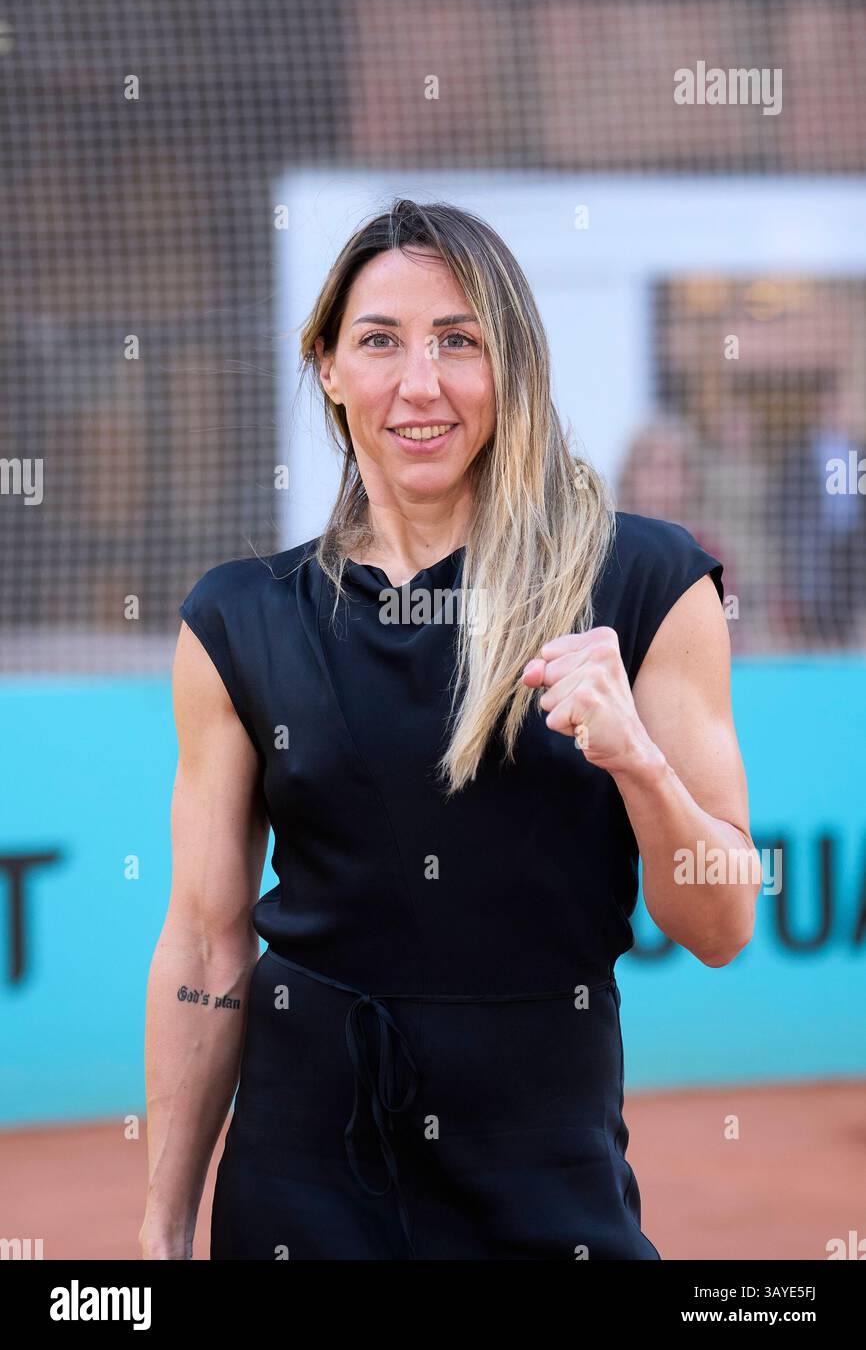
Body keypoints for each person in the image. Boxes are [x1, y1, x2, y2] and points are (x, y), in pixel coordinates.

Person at [140, 199, 760, 1261]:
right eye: (378, 340)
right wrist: (162, 1226)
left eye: (459, 341)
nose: (417, 383)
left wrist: (637, 762)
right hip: (298, 1189)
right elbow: (205, 937)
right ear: (328, 367)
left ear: (509, 365)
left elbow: (720, 923)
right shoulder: (239, 617)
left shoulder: (645, 582)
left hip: (546, 1187)